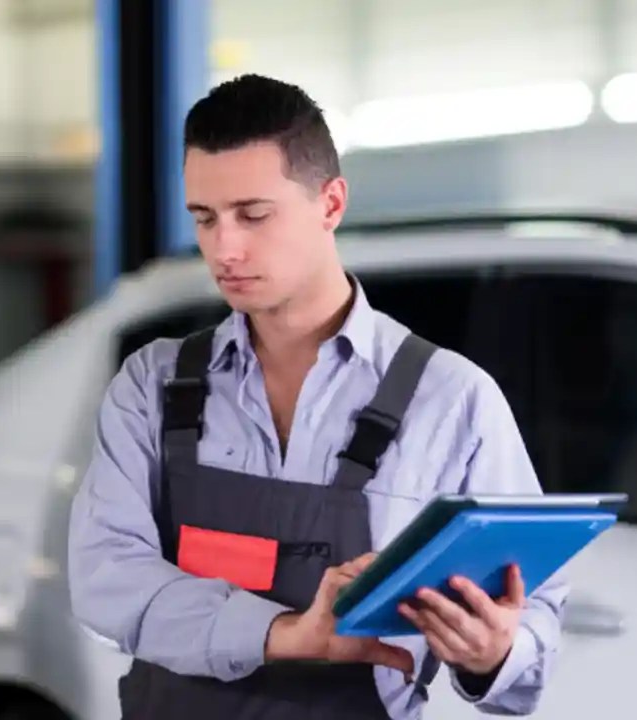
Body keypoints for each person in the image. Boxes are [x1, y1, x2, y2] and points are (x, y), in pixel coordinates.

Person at [66, 74, 567, 719]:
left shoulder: (452, 402)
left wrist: (494, 651)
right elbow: (108, 577)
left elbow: (536, 614)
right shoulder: (152, 387)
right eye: (205, 218)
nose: (225, 248)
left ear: (330, 204)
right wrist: (281, 635)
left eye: (253, 215)